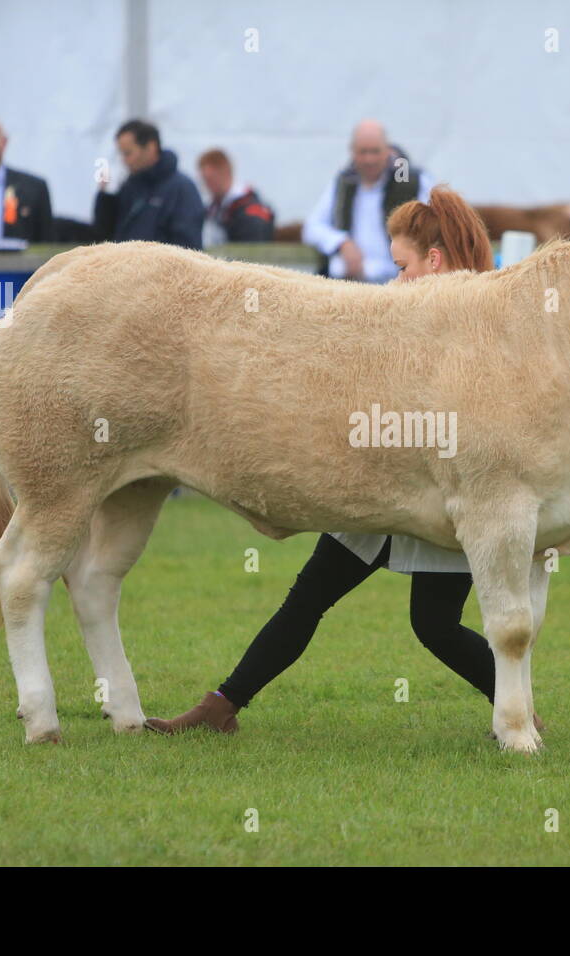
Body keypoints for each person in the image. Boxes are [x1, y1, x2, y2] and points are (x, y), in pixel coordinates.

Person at [144, 187, 530, 736]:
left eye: (402, 267)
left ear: (435, 262)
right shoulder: (403, 320)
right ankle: (221, 705)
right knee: (308, 599)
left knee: (434, 626)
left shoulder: (475, 330)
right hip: (375, 495)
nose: (394, 281)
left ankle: (518, 707)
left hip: (443, 503)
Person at [302, 119, 435, 282]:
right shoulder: (343, 183)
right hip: (351, 283)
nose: (369, 159)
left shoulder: (413, 181)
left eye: (375, 151)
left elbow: (437, 226)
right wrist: (342, 243)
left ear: (387, 151)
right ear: (352, 152)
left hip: (401, 283)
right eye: (363, 152)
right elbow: (312, 228)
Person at [93, 119, 204, 249]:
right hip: (126, 268)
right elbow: (106, 235)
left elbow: (188, 248)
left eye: (128, 153)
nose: (124, 161)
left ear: (151, 147)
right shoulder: (130, 187)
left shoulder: (182, 189)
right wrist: (106, 196)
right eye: (121, 154)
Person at [196, 148, 275, 246]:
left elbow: (253, 251)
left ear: (226, 172)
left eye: (210, 179)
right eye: (204, 180)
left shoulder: (252, 211)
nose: (207, 185)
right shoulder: (214, 208)